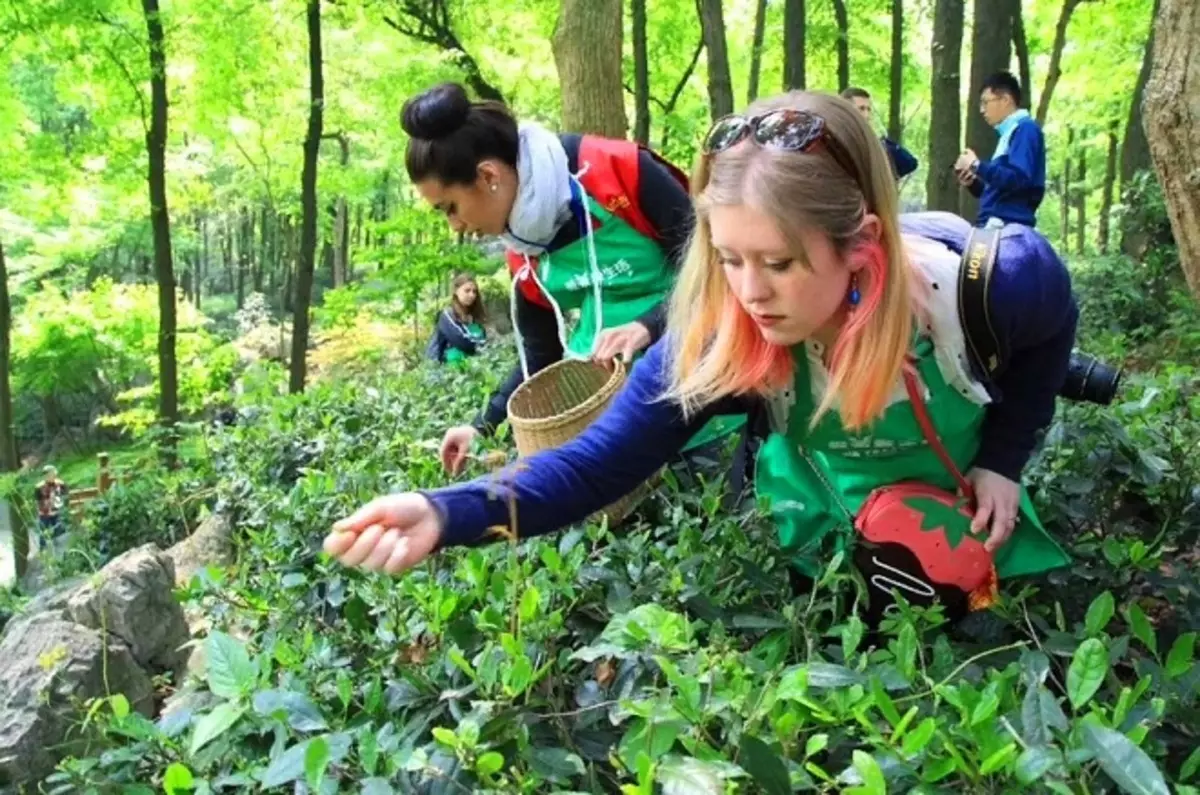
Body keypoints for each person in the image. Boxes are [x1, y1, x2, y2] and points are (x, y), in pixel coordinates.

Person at [327, 91, 1077, 626]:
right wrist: (445, 510)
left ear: (862, 246)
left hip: (960, 492)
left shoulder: (989, 287)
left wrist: (1005, 458)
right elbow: (594, 464)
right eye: (727, 260)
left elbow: (1052, 328)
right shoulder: (722, 336)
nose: (749, 295)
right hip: (830, 503)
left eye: (778, 263)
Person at [400, 82, 744, 480]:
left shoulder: (620, 173)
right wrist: (482, 426)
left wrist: (646, 327)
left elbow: (721, 274)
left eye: (451, 208)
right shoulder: (522, 246)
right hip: (614, 429)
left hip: (702, 403)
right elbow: (539, 354)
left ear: (488, 174)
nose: (456, 226)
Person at [954, 72, 1046, 228]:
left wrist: (977, 165)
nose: (982, 110)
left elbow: (1020, 180)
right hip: (994, 223)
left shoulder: (1025, 129)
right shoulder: (1008, 134)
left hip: (1006, 227)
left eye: (985, 102)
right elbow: (1001, 193)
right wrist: (973, 183)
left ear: (1005, 100)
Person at [841, 87, 918, 180]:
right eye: (861, 109)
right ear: (846, 111)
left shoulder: (877, 145)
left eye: (868, 109)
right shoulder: (834, 142)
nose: (867, 115)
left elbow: (909, 163)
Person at [426, 273, 488, 364]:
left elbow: (483, 340)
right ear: (456, 291)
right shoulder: (447, 315)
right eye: (467, 291)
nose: (472, 295)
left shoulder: (475, 318)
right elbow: (461, 341)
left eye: (474, 291)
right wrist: (481, 347)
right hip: (443, 368)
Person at [34, 465, 69, 546]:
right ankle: (43, 549)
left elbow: (66, 494)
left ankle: (56, 544)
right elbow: (37, 500)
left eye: (52, 474)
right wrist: (39, 511)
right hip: (44, 512)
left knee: (58, 529)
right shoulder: (39, 487)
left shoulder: (59, 484)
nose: (51, 476)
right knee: (43, 532)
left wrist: (63, 506)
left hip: (56, 511)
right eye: (48, 474)